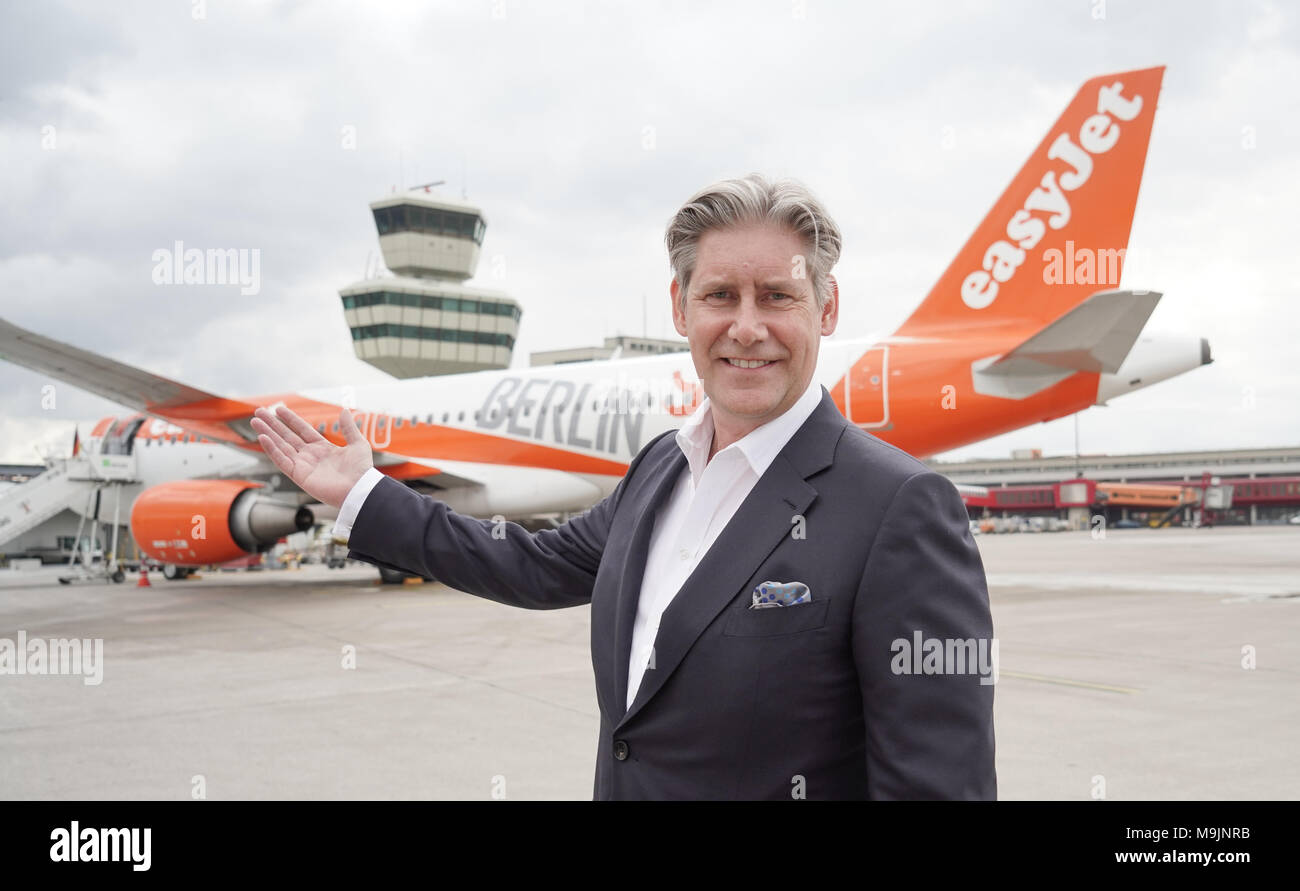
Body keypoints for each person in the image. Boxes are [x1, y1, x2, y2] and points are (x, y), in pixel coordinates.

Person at [251, 173, 996, 800]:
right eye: (719, 296)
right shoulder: (659, 471)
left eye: (776, 296)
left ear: (825, 310)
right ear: (681, 310)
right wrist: (361, 494)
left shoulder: (898, 506)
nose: (745, 326)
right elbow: (532, 564)